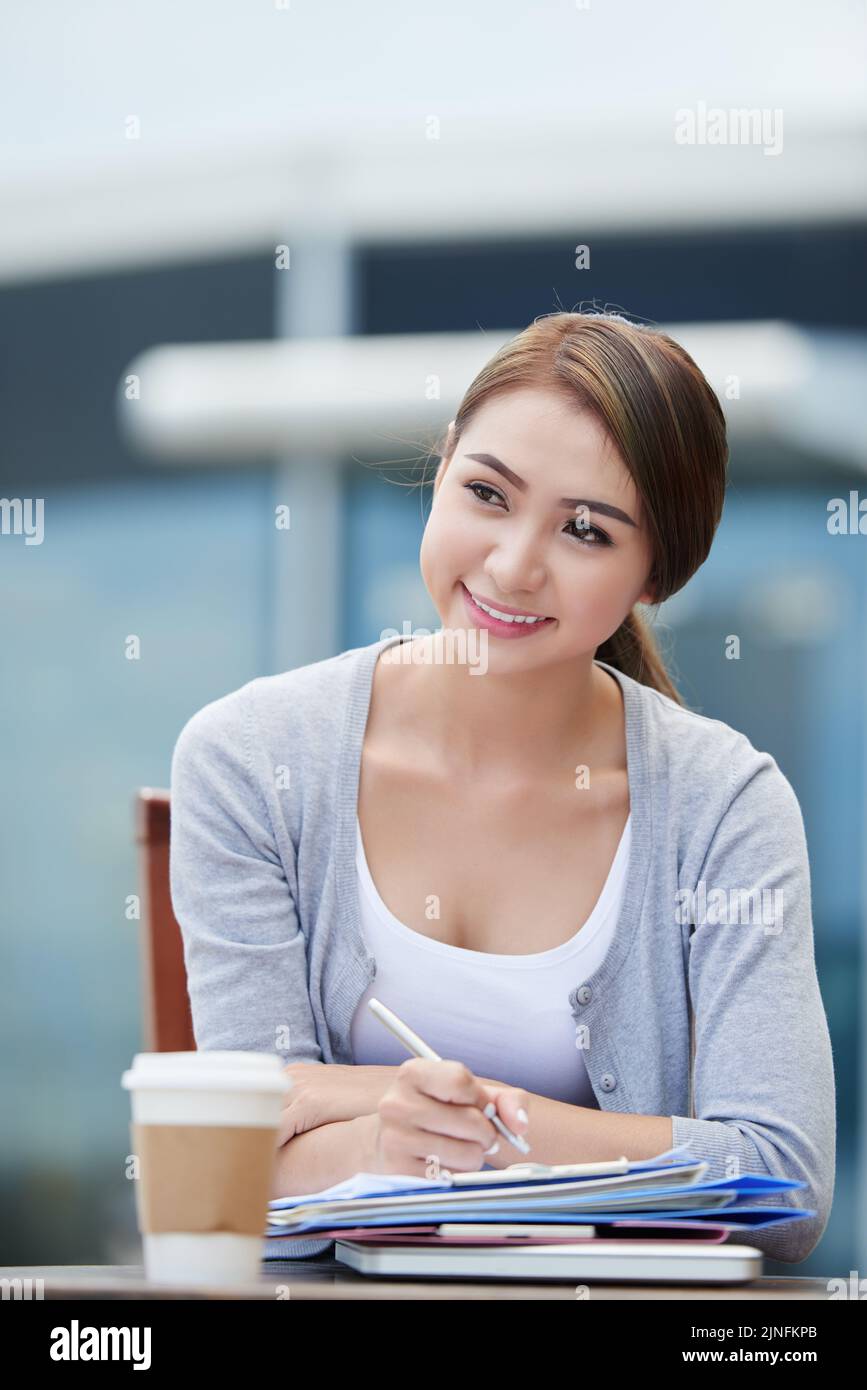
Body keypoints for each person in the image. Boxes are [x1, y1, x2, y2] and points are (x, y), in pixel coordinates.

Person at [169, 310, 835, 1263]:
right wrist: (379, 1136)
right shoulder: (250, 760)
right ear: (441, 469)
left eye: (584, 531)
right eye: (487, 493)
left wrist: (466, 1120)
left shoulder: (725, 805)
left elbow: (779, 1185)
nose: (513, 565)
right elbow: (231, 1161)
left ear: (656, 576)